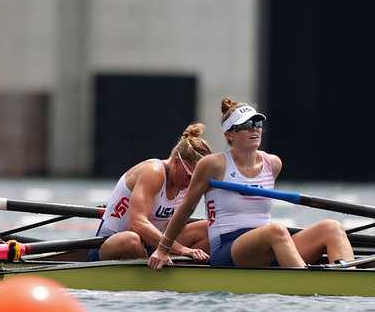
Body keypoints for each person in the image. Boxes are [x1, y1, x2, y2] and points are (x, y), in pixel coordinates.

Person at [149, 98, 354, 270]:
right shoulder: (213, 165)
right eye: (246, 126)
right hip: (228, 249)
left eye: (257, 124)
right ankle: (306, 284)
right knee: (276, 230)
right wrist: (162, 248)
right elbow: (186, 208)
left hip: (268, 245)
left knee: (332, 227)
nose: (254, 129)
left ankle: (348, 281)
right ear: (229, 134)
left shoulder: (273, 163)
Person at [90, 123, 212, 262]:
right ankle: (159, 268)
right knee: (131, 240)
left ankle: (178, 269)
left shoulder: (185, 183)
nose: (191, 182)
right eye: (189, 176)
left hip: (151, 245)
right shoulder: (153, 171)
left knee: (207, 229)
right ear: (176, 162)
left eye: (196, 178)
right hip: (112, 244)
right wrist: (183, 250)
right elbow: (137, 224)